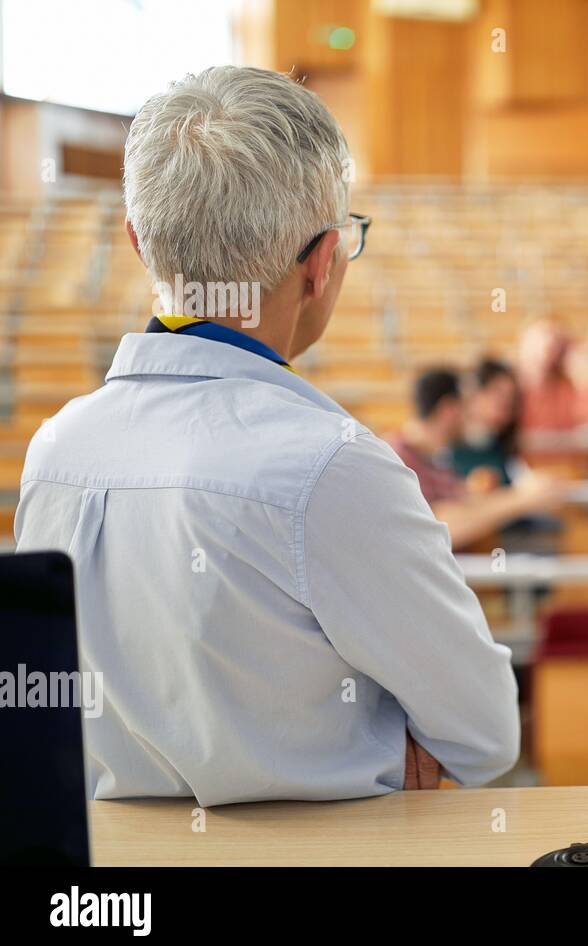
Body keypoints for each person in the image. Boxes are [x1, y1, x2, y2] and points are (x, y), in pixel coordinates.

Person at [15, 67, 519, 806]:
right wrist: (383, 740)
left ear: (137, 242)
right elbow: (484, 735)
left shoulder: (54, 451)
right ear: (321, 265)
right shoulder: (335, 468)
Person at [386, 367, 563, 548]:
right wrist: (522, 498)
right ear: (448, 410)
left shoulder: (432, 456)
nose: (473, 415)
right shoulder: (396, 459)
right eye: (467, 406)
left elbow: (459, 503)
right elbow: (438, 524)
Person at [516, 318, 588, 436]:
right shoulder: (512, 390)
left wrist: (581, 370)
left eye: (555, 345)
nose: (547, 349)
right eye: (540, 340)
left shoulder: (569, 391)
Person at [452, 357, 524, 488]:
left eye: (511, 398)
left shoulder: (502, 449)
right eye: (497, 392)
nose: (505, 404)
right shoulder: (445, 448)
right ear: (472, 392)